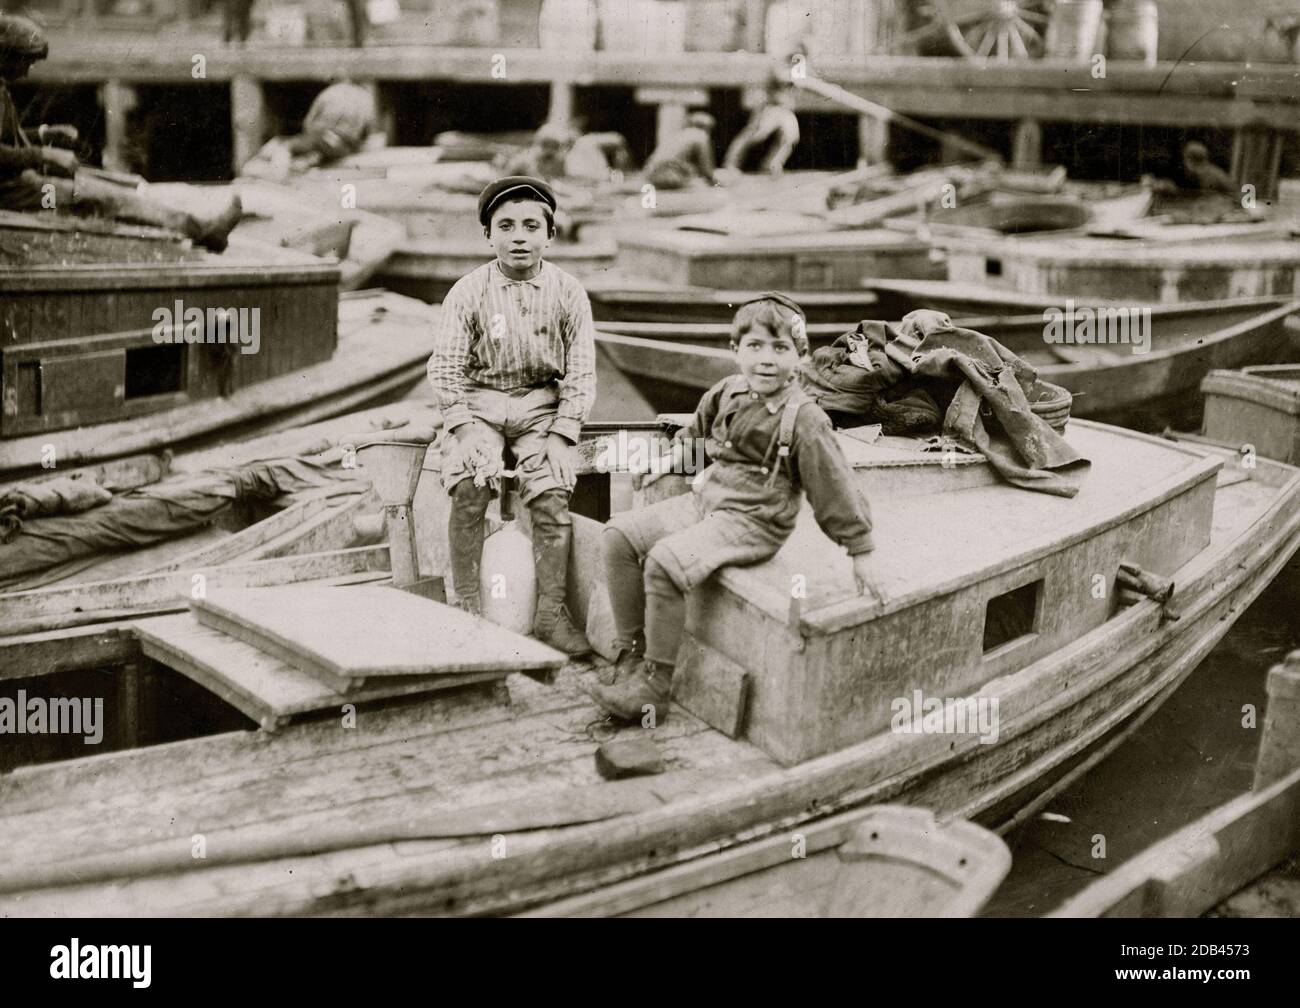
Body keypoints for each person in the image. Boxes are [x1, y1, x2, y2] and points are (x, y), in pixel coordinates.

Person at [588, 293, 888, 722]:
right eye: (755, 346)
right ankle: (633, 653)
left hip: (756, 520)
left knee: (665, 562)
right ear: (735, 351)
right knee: (617, 536)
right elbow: (695, 435)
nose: (767, 360)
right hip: (708, 500)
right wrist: (667, 461)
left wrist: (862, 552)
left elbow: (835, 487)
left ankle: (654, 687)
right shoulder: (727, 391)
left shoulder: (805, 419)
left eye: (781, 348)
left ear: (801, 357)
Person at [426, 175, 597, 656]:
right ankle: (466, 607)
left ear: (550, 234)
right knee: (469, 488)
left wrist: (564, 435)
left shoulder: (568, 291)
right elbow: (445, 367)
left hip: (540, 404)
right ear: (488, 236)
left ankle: (549, 615)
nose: (518, 236)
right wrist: (460, 429)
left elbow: (582, 371)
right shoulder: (467, 291)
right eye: (505, 226)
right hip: (480, 401)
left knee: (551, 498)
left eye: (530, 225)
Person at [0, 14, 241, 252]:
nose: (28, 71)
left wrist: (43, 135)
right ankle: (204, 232)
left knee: (117, 185)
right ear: (6, 56)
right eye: (25, 61)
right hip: (13, 191)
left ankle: (196, 223)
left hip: (20, 182)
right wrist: (43, 155)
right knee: (108, 199)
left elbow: (7, 140)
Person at [723, 82, 800, 177]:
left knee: (791, 137)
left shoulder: (799, 72)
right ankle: (730, 164)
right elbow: (781, 77)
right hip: (770, 108)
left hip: (786, 111)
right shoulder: (782, 72)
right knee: (755, 136)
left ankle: (772, 165)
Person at [644, 110, 717, 190]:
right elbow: (706, 167)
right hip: (668, 176)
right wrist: (715, 183)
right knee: (700, 187)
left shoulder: (680, 134)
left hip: (652, 175)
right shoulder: (700, 135)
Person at [502, 123, 571, 182]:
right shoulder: (523, 160)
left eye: (555, 147)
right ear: (538, 143)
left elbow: (562, 180)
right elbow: (504, 179)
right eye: (546, 145)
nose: (550, 150)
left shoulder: (558, 162)